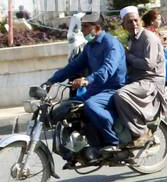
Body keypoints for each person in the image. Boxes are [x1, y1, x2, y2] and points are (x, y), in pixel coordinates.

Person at [42, 14, 126, 157]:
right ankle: (87, 144)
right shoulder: (90, 47)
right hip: (96, 89)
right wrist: (52, 80)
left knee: (91, 105)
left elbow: (107, 69)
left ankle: (113, 142)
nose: (83, 31)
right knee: (69, 107)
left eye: (86, 27)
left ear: (97, 28)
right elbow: (74, 66)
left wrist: (87, 80)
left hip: (113, 88)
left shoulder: (111, 44)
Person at [114, 6, 167, 147]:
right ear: (123, 25)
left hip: (150, 82)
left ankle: (142, 132)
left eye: (135, 20)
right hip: (137, 80)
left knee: (120, 95)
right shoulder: (132, 39)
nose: (133, 24)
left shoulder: (148, 38)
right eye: (129, 22)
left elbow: (148, 64)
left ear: (140, 21)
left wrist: (129, 56)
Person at [142, 8, 167, 117]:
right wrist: (161, 41)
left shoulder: (155, 31)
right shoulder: (147, 33)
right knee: (164, 85)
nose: (160, 21)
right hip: (156, 65)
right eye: (158, 19)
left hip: (163, 62)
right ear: (151, 21)